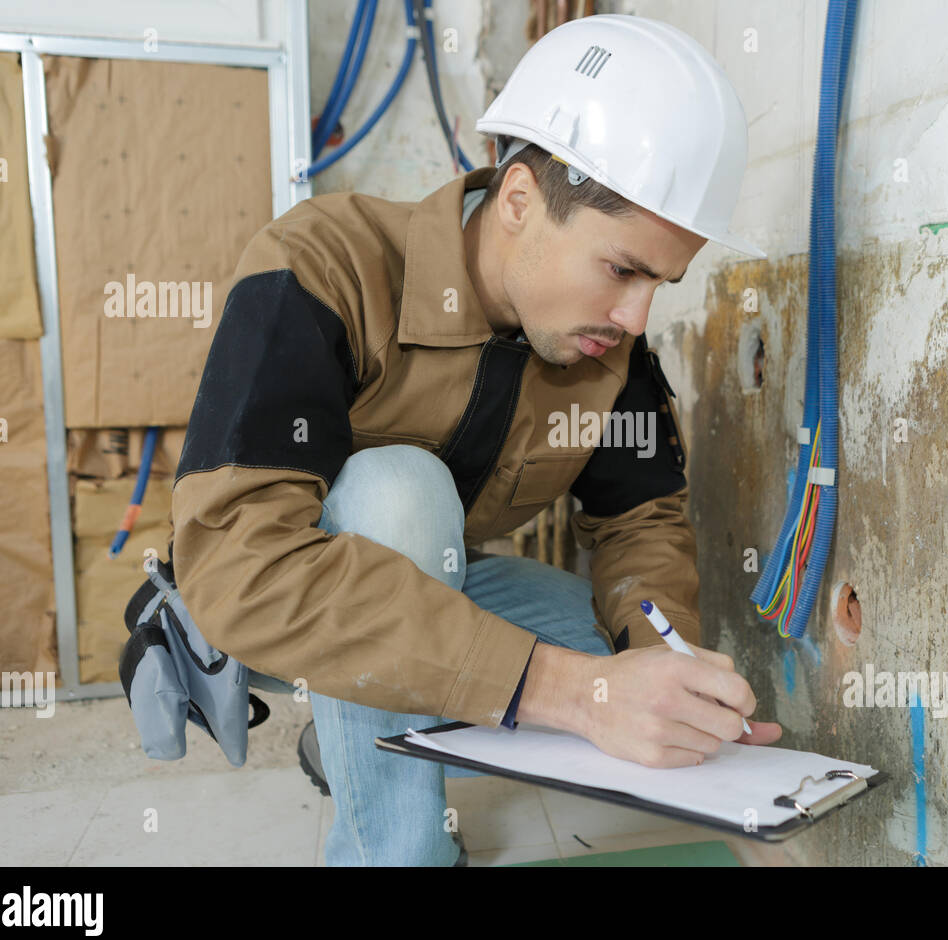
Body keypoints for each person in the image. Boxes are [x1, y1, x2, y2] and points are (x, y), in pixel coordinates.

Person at [165, 13, 780, 866]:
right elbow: (243, 561)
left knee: (608, 650)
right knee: (398, 493)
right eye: (623, 269)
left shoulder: (605, 340)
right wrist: (569, 694)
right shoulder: (319, 268)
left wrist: (659, 664)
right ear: (520, 200)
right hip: (268, 586)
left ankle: (358, 732)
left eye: (662, 282)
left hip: (440, 577)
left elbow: (641, 527)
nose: (639, 316)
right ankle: (399, 851)